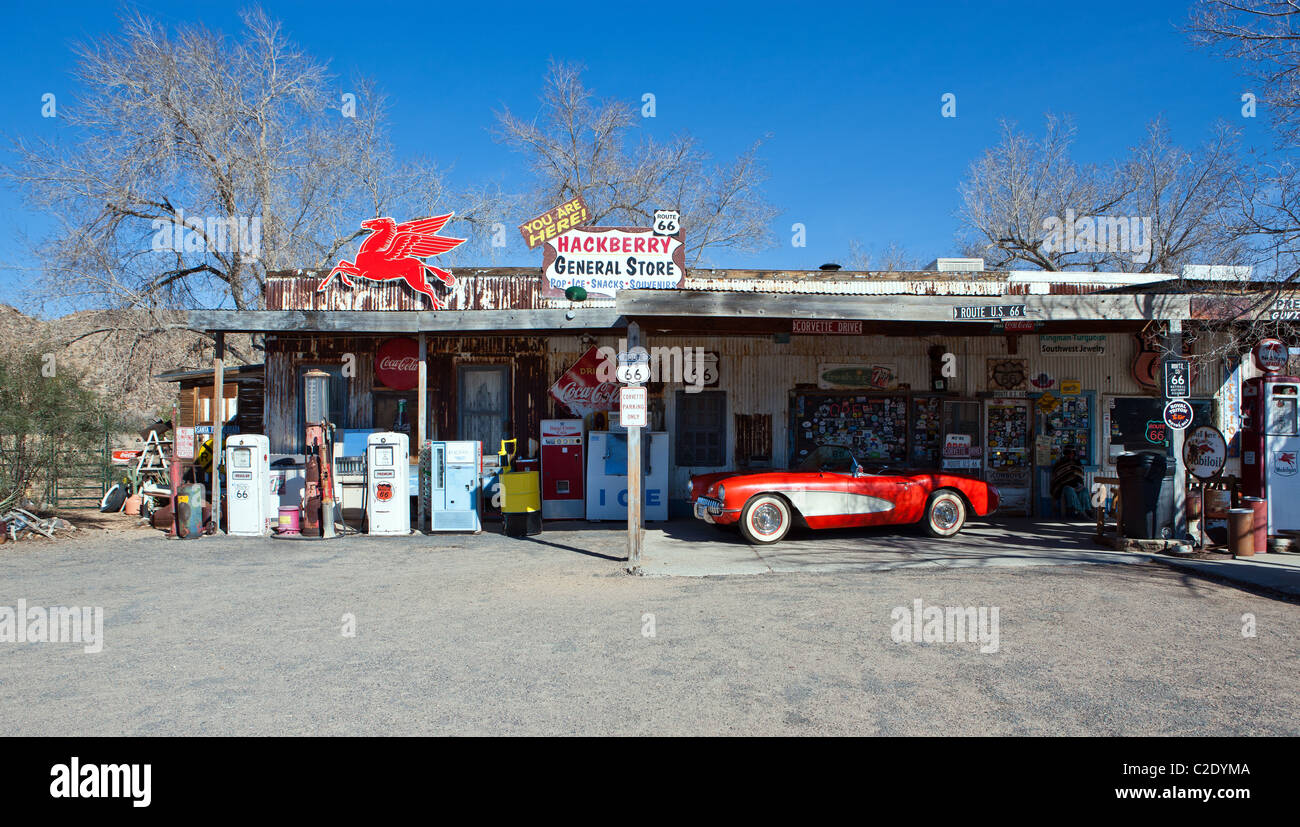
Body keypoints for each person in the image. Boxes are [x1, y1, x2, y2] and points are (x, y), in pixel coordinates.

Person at [1050, 447, 1089, 518]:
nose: (1071, 455)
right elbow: (1057, 477)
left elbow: (1080, 475)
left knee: (1084, 490)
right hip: (1064, 486)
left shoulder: (1077, 462)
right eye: (1069, 454)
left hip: (1076, 485)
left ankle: (1088, 510)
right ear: (1065, 454)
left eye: (1072, 454)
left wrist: (1079, 485)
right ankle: (1080, 512)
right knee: (1070, 490)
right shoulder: (1060, 463)